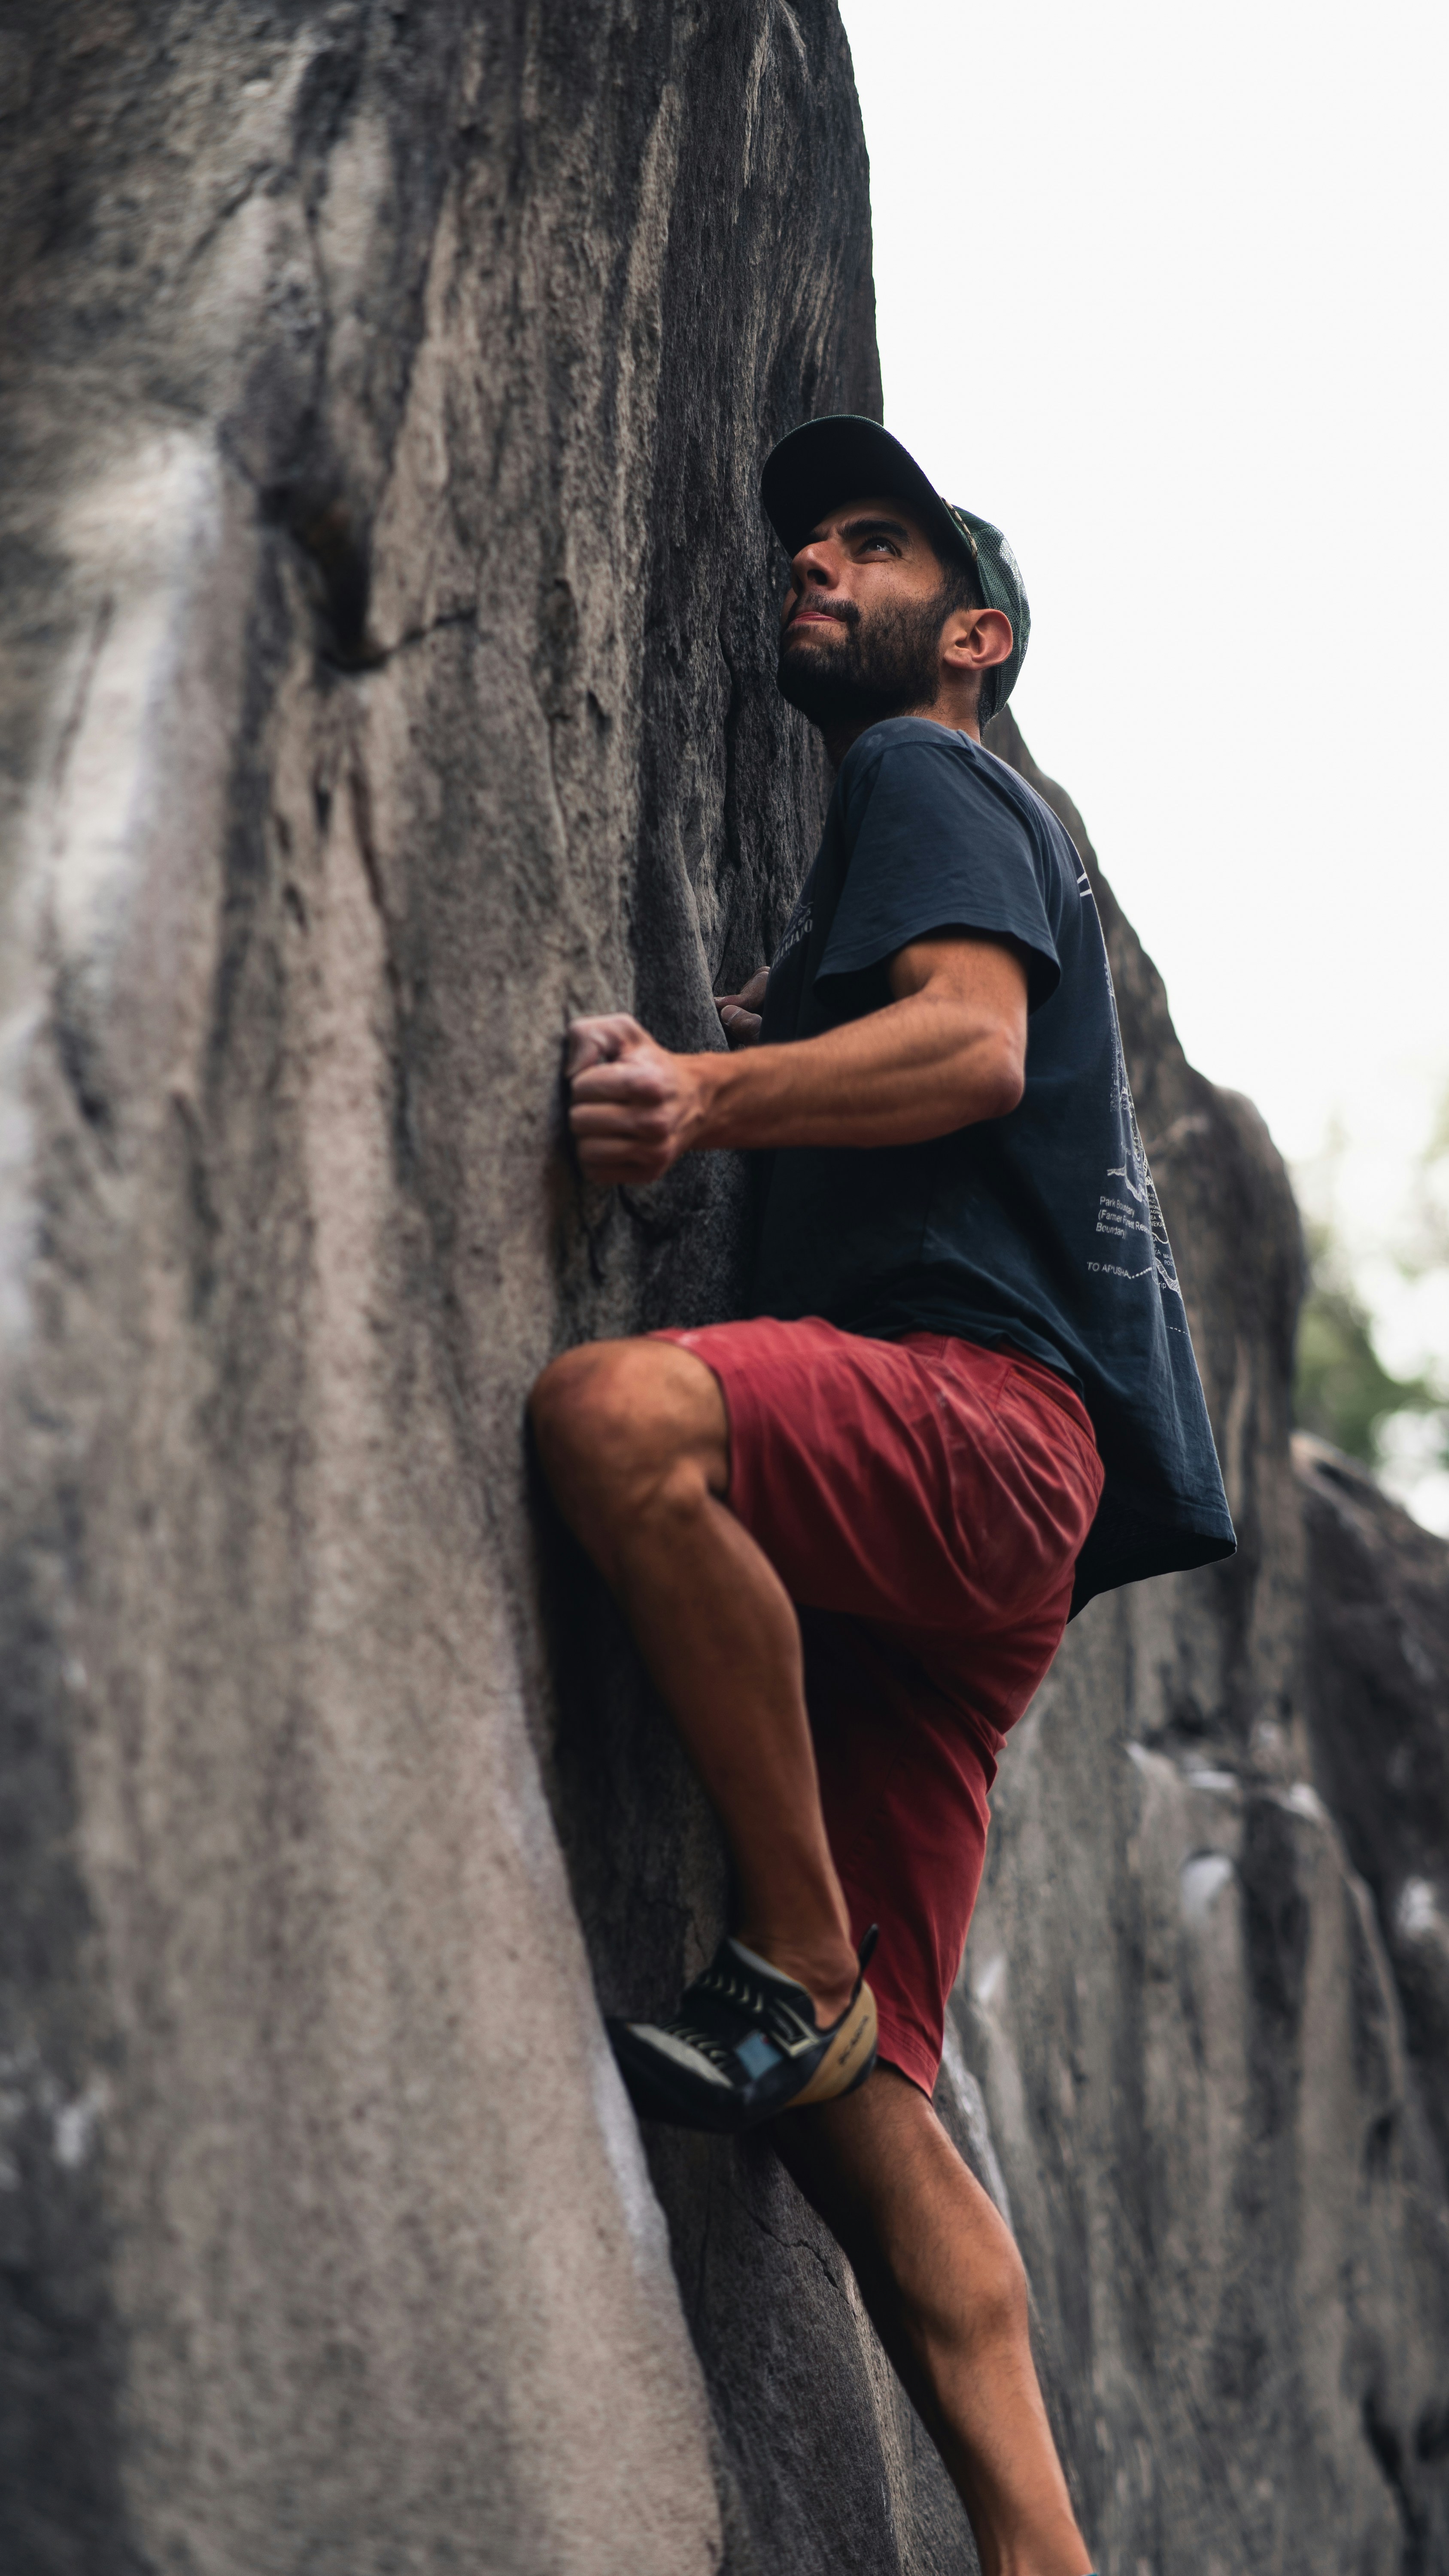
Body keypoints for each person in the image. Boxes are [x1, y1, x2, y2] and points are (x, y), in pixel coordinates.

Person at [529, 415, 1234, 2576]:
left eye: (874, 546)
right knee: (865, 2115)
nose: (813, 569)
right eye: (805, 548)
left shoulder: (927, 774)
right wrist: (790, 1016)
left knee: (612, 1421)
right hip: (997, 1529)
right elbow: (934, 1054)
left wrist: (706, 1091)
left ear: (976, 632)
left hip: (971, 1422)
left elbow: (971, 1054)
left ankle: (796, 1949)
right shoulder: (933, 835)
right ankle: (1045, 2550)